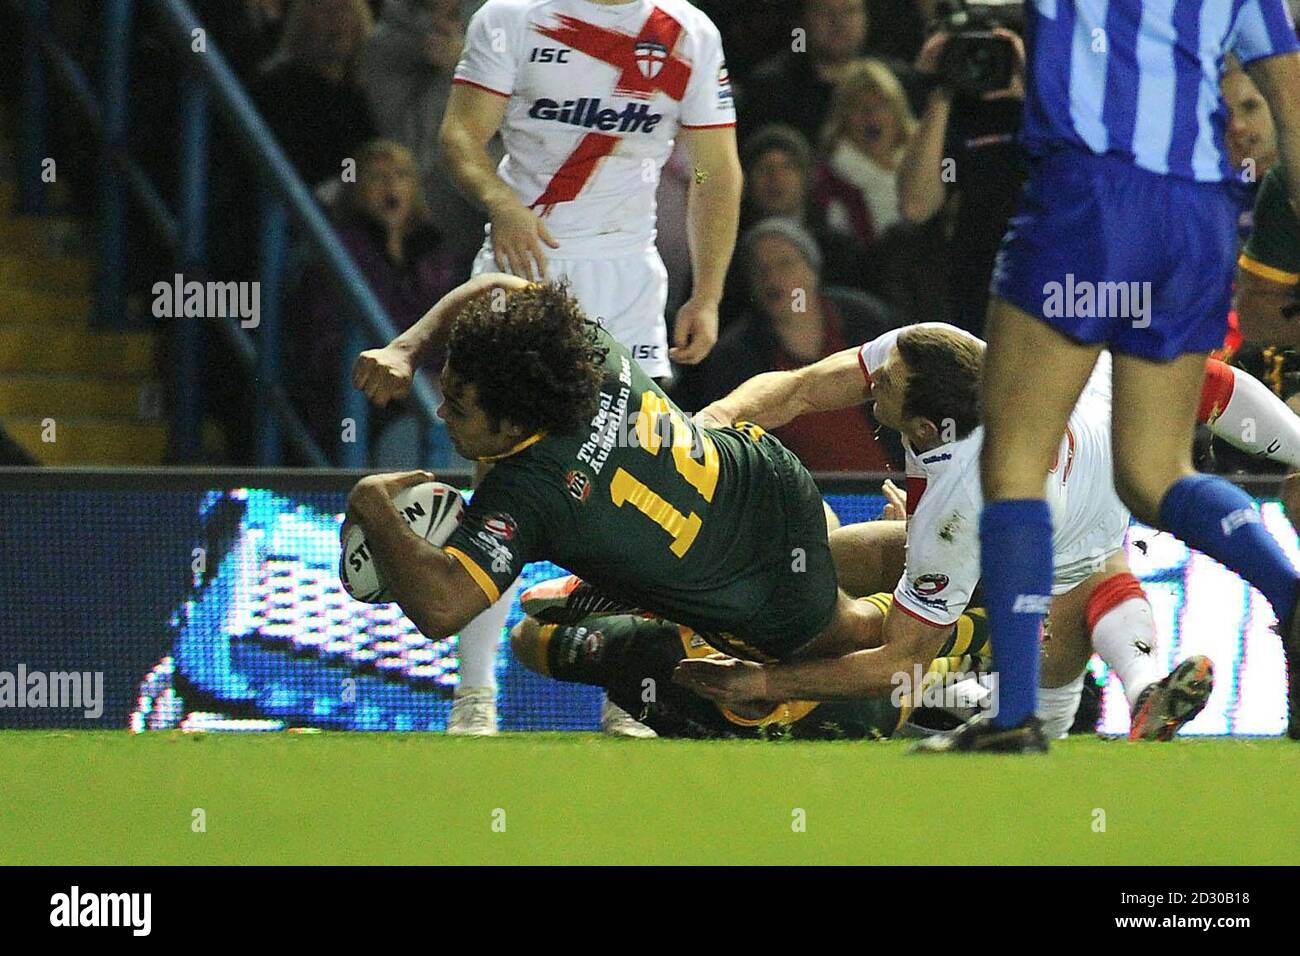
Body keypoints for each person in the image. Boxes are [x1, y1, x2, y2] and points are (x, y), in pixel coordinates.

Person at [682, 323, 1300, 741]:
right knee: (838, 556)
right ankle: (1129, 693)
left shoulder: (957, 512)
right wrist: (711, 420)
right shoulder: (939, 353)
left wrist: (767, 682)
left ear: (926, 428)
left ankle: (1042, 722)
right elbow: (801, 386)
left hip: (1070, 523)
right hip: (1084, 435)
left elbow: (901, 659)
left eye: (888, 381)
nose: (876, 376)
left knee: (1047, 642)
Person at [962, 1, 1300, 751]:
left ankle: (1015, 716)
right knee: (1153, 472)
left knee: (1016, 458)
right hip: (1198, 215)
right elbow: (1293, 95)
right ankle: (1291, 596)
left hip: (1091, 194)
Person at [349, 277, 902, 730]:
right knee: (832, 555)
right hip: (771, 477)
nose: (441, 414)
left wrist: (372, 502)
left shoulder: (525, 493)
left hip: (756, 598)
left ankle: (963, 647)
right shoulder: (587, 352)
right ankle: (944, 563)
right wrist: (407, 348)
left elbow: (441, 609)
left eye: (459, 407)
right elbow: (496, 288)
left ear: (515, 422)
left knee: (857, 631)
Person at [433, 0, 743, 733]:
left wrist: (709, 291)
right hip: (522, 268)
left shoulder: (688, 32)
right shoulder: (513, 16)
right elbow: (459, 135)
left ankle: (628, 696)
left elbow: (716, 171)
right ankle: (475, 695)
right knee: (499, 481)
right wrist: (500, 203)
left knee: (637, 491)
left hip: (626, 285)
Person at [677, 218, 900, 472]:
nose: (772, 278)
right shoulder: (736, 354)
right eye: (760, 269)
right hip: (804, 497)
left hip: (891, 482)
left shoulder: (867, 320)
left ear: (812, 270)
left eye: (784, 264)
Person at [289, 139, 459, 461]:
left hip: (431, 390)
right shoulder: (336, 252)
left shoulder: (436, 254)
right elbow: (324, 345)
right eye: (377, 177)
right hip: (365, 398)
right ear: (357, 189)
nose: (391, 185)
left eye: (401, 175)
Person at [895, 23, 1027, 336]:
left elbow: (1075, 179)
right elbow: (916, 205)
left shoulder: (1048, 113)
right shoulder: (953, 117)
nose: (983, 58)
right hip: (975, 292)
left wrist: (1035, 92)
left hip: (1045, 286)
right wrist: (942, 90)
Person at [361, 0, 492, 274]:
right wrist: (457, 76)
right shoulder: (384, 46)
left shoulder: (501, 20)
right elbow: (413, 150)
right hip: (439, 228)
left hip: (507, 199)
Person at [250, 0, 378, 188]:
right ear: (303, 24)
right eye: (327, 12)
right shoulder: (277, 89)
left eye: (344, 11)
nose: (338, 22)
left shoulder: (361, 98)